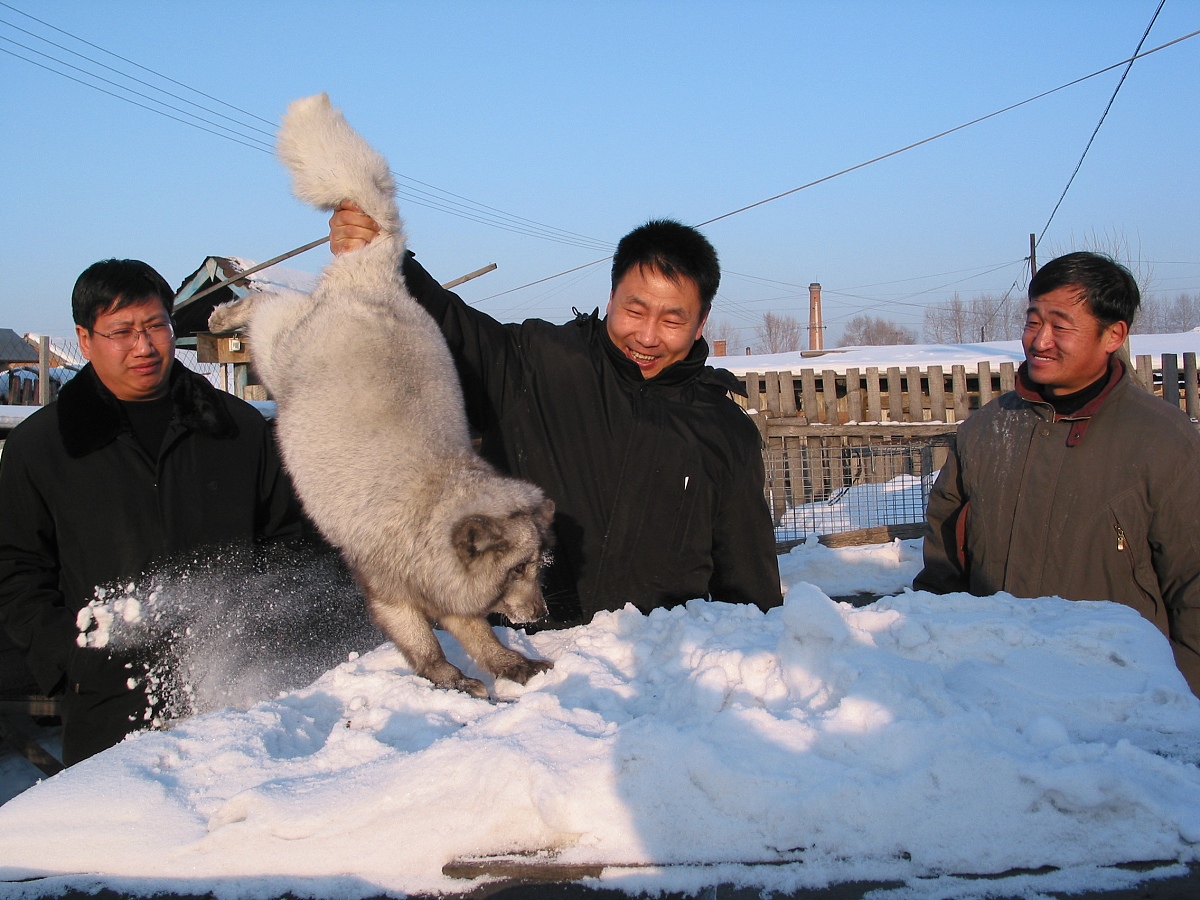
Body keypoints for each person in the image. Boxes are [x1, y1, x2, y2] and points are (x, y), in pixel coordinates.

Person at [331, 206, 782, 626]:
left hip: (649, 672)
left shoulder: (725, 432)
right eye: (635, 310)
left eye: (671, 321)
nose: (647, 336)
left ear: (701, 322)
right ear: (612, 298)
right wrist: (383, 259)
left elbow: (747, 592)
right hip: (521, 659)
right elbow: (448, 327)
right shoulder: (535, 365)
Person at [0, 259, 304, 764]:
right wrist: (71, 659)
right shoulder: (42, 447)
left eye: (155, 326)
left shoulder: (237, 429)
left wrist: (265, 634)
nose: (143, 346)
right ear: (85, 339)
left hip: (241, 699)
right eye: (121, 332)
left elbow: (290, 540)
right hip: (108, 702)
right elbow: (16, 568)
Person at [914, 251, 1200, 695]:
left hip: (1119, 699)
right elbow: (944, 566)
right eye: (1033, 322)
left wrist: (1181, 704)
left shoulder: (1164, 440)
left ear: (1113, 334)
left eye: (1060, 326)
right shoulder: (986, 430)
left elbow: (1192, 585)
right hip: (995, 688)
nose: (1040, 340)